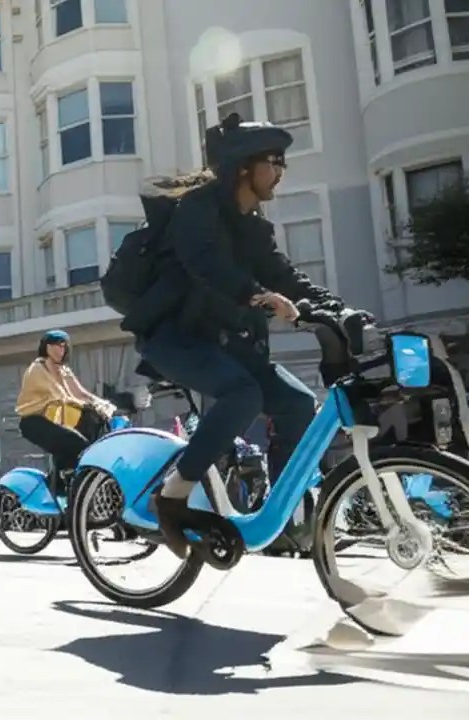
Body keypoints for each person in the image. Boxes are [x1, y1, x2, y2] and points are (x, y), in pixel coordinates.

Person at [134, 113, 348, 559]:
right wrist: (257, 295)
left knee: (296, 403)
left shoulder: (254, 226)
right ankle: (171, 496)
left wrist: (338, 309)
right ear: (244, 167)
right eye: (275, 161)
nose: (281, 171)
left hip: (231, 343)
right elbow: (207, 265)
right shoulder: (197, 209)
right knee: (243, 395)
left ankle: (284, 517)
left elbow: (284, 275)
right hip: (178, 336)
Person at [15, 330, 115, 491]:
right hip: (35, 420)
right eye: (54, 346)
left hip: (57, 418)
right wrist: (86, 404)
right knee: (76, 444)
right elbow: (59, 395)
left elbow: (80, 393)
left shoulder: (63, 370)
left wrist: (104, 404)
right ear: (45, 348)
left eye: (62, 347)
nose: (59, 350)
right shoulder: (37, 368)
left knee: (82, 445)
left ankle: (58, 489)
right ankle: (71, 489)